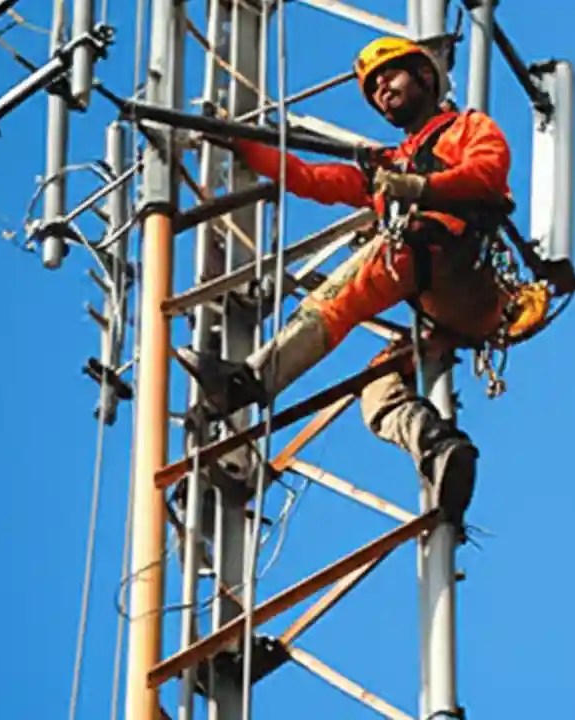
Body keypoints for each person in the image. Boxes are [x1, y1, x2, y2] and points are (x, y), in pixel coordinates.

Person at [176, 36, 517, 525]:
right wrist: (243, 144)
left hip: (463, 264)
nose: (382, 90)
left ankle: (248, 381)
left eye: (390, 77)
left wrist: (420, 187)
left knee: (347, 289)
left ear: (424, 76)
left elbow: (487, 172)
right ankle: (441, 450)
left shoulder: (464, 127)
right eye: (374, 88)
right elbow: (312, 178)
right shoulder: (387, 165)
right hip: (445, 306)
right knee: (376, 393)